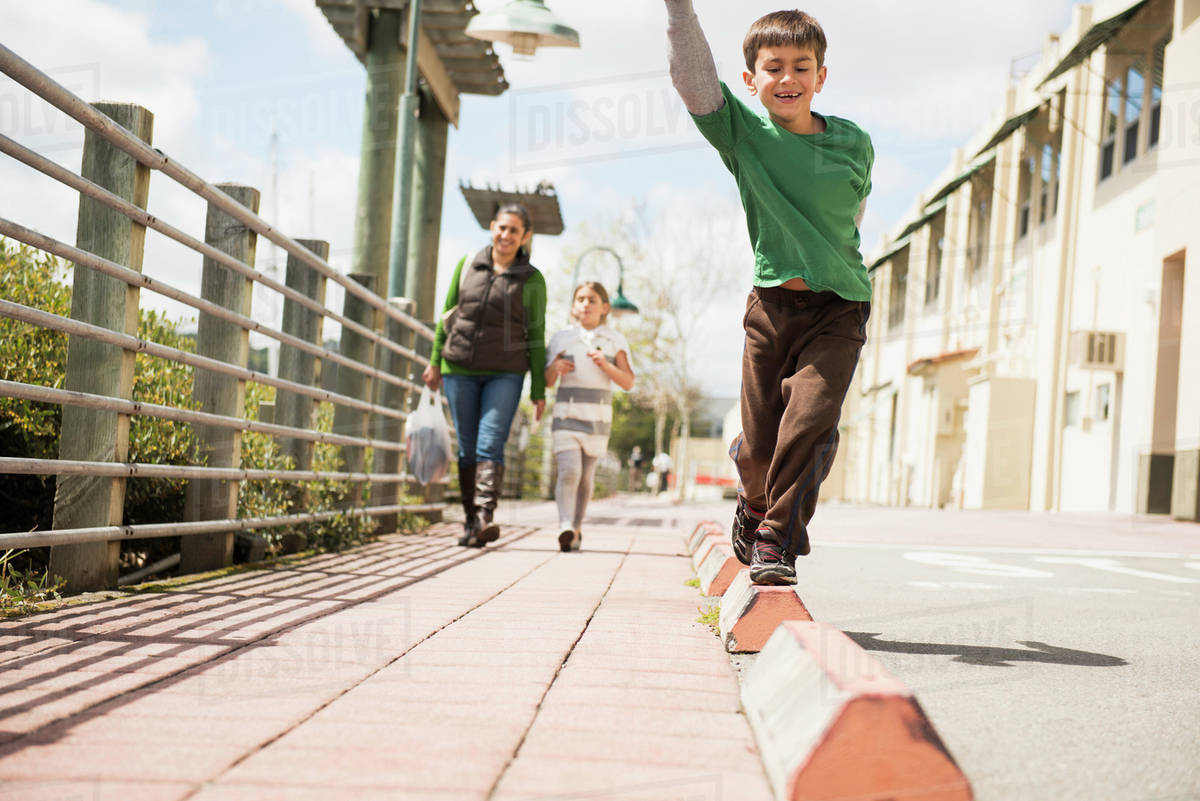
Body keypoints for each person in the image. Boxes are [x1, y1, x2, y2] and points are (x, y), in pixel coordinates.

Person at [664, 3, 873, 585]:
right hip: (772, 310)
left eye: (801, 67)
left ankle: (775, 543)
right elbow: (694, 79)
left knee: (808, 424)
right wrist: (680, 11)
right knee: (760, 452)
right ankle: (753, 497)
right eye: (773, 67)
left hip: (841, 307)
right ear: (752, 80)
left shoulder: (855, 142)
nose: (788, 78)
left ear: (821, 77)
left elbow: (853, 214)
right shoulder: (742, 133)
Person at [423, 203, 547, 548]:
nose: (506, 235)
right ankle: (469, 522)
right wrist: (435, 362)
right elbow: (446, 316)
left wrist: (539, 389)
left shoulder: (532, 279)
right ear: (492, 227)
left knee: (489, 443)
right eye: (501, 228)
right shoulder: (467, 265)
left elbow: (536, 336)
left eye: (514, 230)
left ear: (525, 237)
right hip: (458, 368)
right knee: (466, 448)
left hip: (505, 374)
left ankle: (483, 519)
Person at [545, 282, 635, 552]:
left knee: (585, 478)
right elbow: (547, 380)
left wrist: (605, 365)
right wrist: (555, 367)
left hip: (597, 419)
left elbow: (628, 381)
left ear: (605, 307)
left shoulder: (614, 339)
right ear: (573, 305)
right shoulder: (561, 338)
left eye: (592, 299)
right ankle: (564, 525)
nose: (585, 304)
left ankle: (576, 528)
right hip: (566, 414)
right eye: (580, 299)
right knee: (569, 470)